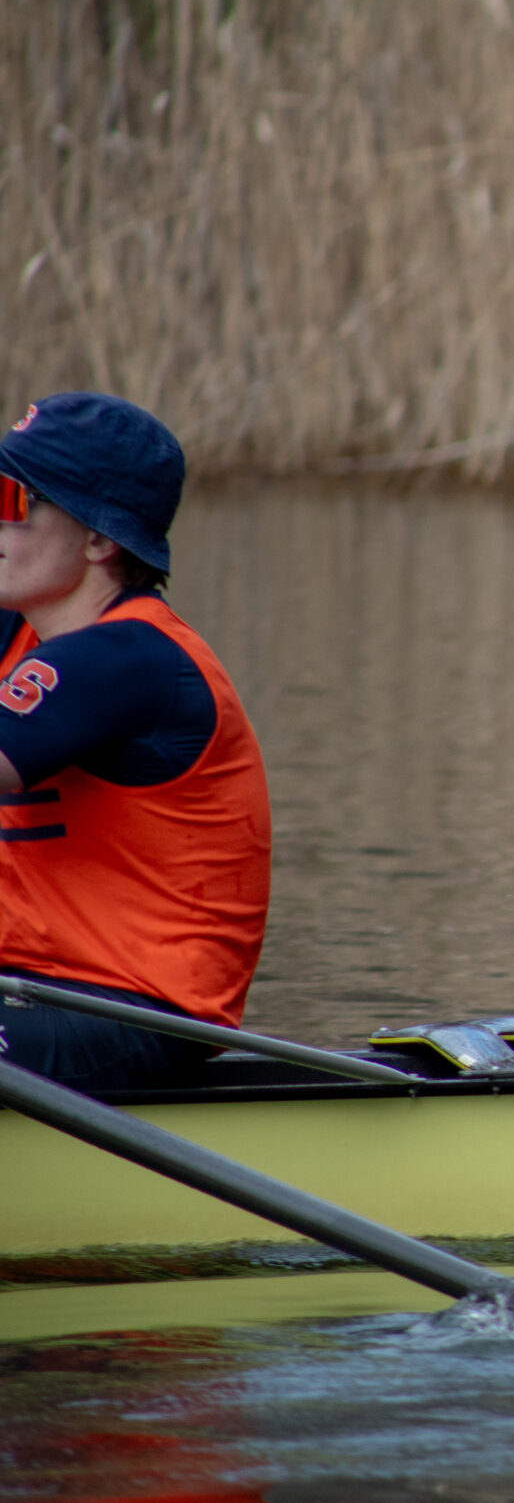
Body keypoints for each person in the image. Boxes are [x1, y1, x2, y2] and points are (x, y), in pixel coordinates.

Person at [0, 393, 272, 1091]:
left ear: (99, 540)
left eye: (19, 500)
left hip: (134, 1014)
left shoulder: (132, 659)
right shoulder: (26, 629)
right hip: (34, 991)